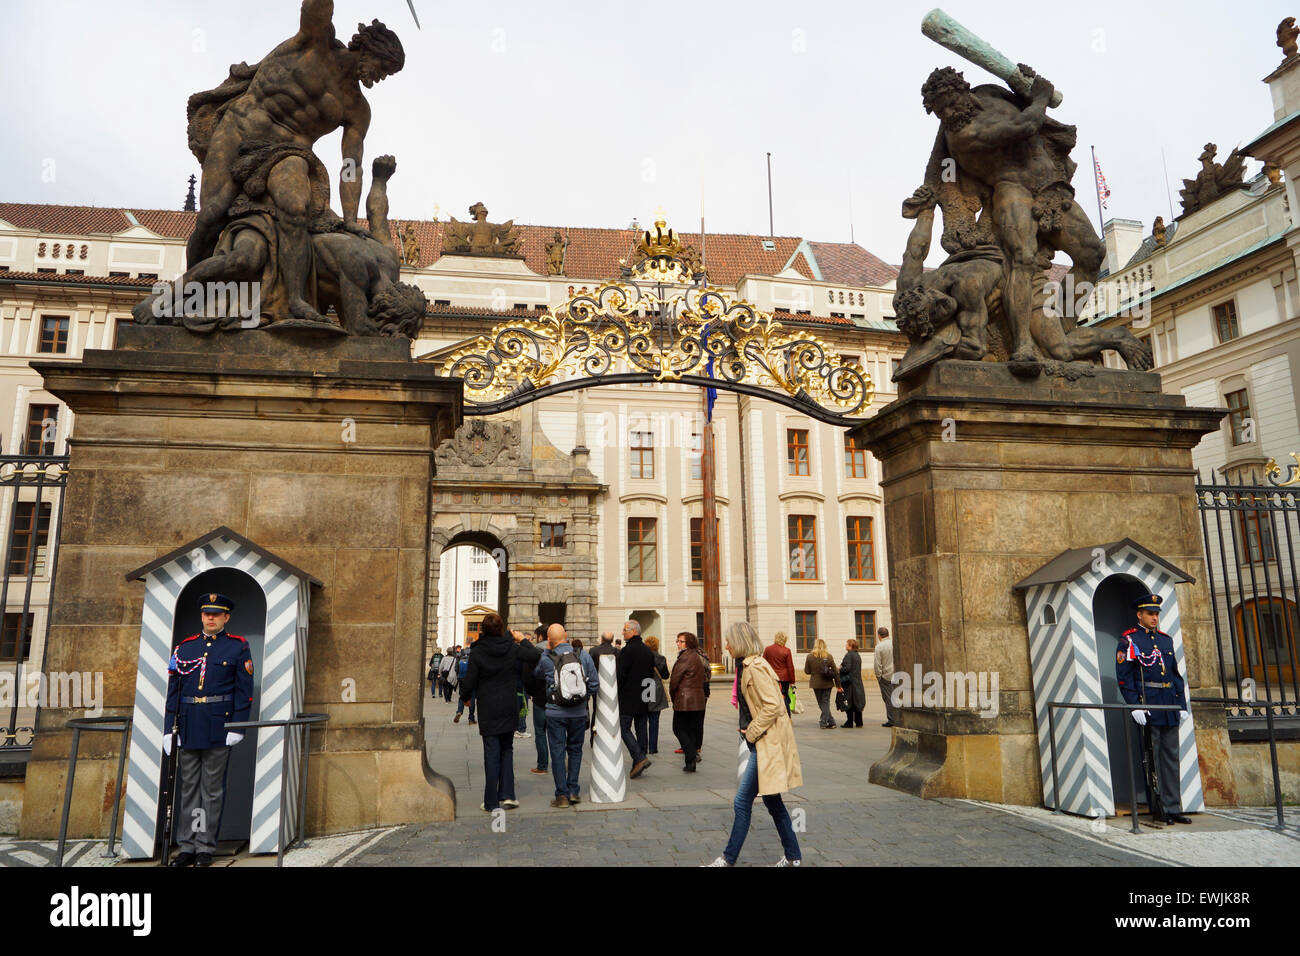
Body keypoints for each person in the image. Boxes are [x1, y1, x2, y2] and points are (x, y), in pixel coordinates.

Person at [164, 593, 254, 867]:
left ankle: (205, 847)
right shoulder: (185, 648)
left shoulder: (237, 647)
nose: (211, 618)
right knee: (189, 788)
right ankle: (187, 846)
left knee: (211, 790)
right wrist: (169, 728)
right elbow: (173, 691)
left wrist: (237, 725)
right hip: (189, 725)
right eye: (207, 614)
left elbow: (244, 690)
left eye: (217, 614)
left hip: (219, 725)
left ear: (226, 617)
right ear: (201, 616)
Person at [705, 622, 803, 867]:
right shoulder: (747, 665)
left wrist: (751, 732)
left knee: (741, 802)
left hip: (765, 743)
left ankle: (727, 859)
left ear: (739, 642)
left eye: (728, 641)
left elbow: (774, 705)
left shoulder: (755, 667)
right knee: (773, 801)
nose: (725, 645)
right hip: (763, 741)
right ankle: (793, 857)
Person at [1117, 594, 1192, 824]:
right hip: (1147, 704)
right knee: (1152, 759)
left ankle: (1173, 807)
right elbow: (1124, 677)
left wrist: (1180, 705)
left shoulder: (1166, 640)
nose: (1154, 618)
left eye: (1157, 613)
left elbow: (1175, 675)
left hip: (1168, 703)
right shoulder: (1129, 640)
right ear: (1139, 615)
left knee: (1171, 757)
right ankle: (1158, 806)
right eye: (1150, 614)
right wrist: (1134, 706)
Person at [458, 613, 541, 812]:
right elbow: (535, 655)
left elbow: (470, 679)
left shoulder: (478, 651)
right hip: (508, 705)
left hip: (489, 706)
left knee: (491, 753)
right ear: (502, 628)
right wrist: (522, 640)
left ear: (483, 630)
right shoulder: (511, 648)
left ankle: (491, 801)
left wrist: (465, 697)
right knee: (507, 750)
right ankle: (509, 795)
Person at [534, 623, 599, 808]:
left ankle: (561, 796)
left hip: (555, 712)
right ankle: (573, 791)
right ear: (567, 635)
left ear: (548, 640)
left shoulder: (546, 657)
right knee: (576, 750)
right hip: (578, 713)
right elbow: (594, 684)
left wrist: (547, 651)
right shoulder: (582, 655)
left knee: (557, 752)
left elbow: (536, 674)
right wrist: (580, 699)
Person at [615, 620, 655, 778]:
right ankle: (640, 759)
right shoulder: (647, 650)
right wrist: (649, 696)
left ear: (633, 631)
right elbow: (651, 675)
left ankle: (639, 758)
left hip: (629, 695)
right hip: (644, 694)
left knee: (623, 727)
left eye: (625, 630)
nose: (622, 632)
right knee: (641, 727)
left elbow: (621, 675)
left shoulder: (627, 651)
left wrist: (616, 692)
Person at [670, 632, 707, 771]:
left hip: (685, 699)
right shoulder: (696, 656)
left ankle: (692, 754)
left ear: (688, 643)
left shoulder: (685, 657)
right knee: (690, 730)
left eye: (681, 641)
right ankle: (690, 764)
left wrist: (674, 696)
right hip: (697, 699)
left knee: (678, 728)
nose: (678, 643)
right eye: (677, 641)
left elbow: (674, 680)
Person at [525, 627, 550, 774]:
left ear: (540, 637)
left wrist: (531, 693)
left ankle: (542, 765)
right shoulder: (563, 650)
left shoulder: (536, 651)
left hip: (540, 697)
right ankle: (560, 760)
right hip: (559, 698)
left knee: (540, 732)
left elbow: (528, 676)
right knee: (557, 733)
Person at [589, 631, 618, 742]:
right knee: (611, 711)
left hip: (598, 686)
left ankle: (593, 737)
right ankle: (611, 737)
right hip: (612, 687)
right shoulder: (616, 651)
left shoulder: (593, 650)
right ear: (612, 640)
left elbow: (590, 670)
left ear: (601, 639)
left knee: (596, 711)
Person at [804, 638, 840, 729]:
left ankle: (823, 722)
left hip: (816, 683)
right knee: (825, 703)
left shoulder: (810, 656)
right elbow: (835, 672)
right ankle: (831, 722)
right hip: (827, 683)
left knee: (822, 703)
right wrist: (838, 685)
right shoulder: (829, 656)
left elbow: (807, 671)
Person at [644, 636, 670, 754]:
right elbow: (665, 675)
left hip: (645, 686)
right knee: (654, 719)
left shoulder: (643, 657)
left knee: (643, 719)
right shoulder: (661, 658)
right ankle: (653, 747)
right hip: (657, 687)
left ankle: (643, 744)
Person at [763, 631, 796, 716]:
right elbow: (790, 667)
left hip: (772, 677)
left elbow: (763, 663)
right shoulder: (786, 650)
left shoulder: (768, 649)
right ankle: (787, 716)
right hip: (784, 678)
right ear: (784, 640)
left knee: (773, 697)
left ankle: (773, 715)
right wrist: (792, 681)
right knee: (784, 696)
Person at [839, 639, 867, 728]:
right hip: (857, 681)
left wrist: (839, 668)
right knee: (857, 702)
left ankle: (849, 722)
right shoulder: (857, 655)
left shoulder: (848, 655)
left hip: (849, 682)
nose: (845, 646)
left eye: (847, 644)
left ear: (850, 646)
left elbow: (847, 668)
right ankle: (859, 722)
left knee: (849, 701)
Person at [874, 627, 897, 727]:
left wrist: (878, 676)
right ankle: (898, 717)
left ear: (879, 635)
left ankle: (892, 719)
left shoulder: (879, 647)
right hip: (897, 675)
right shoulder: (894, 644)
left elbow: (877, 664)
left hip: (886, 676)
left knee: (888, 698)